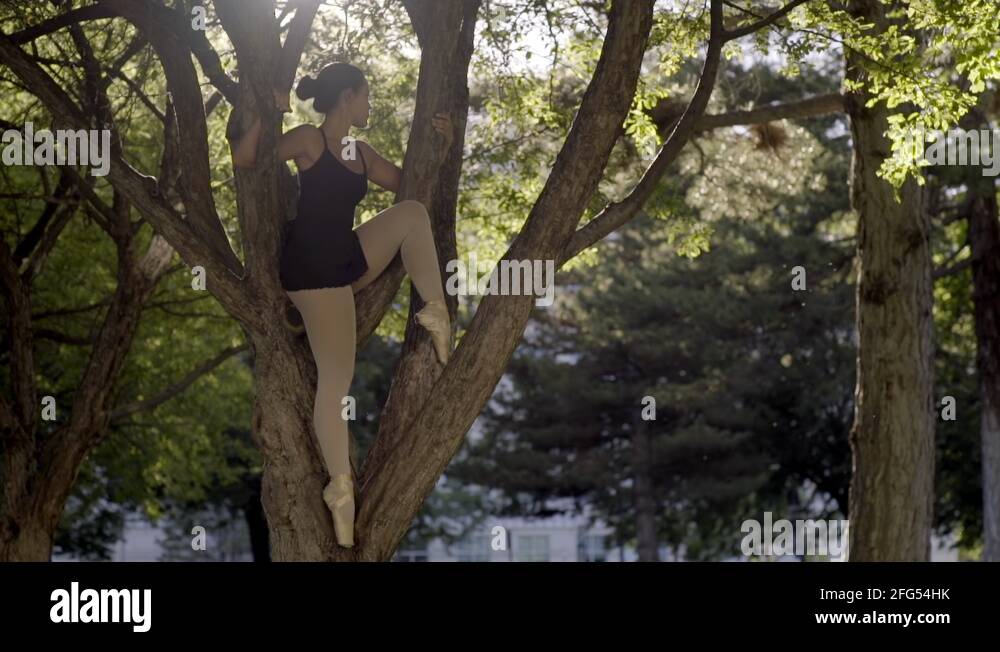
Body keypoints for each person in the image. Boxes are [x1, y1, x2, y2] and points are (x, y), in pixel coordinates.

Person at [229, 62, 454, 548]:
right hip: (313, 277)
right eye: (366, 97)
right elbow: (246, 159)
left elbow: (411, 187)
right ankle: (340, 488)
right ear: (348, 97)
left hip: (347, 259)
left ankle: (435, 310)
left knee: (413, 215)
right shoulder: (309, 139)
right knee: (336, 385)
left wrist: (444, 144)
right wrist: (270, 113)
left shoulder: (360, 152)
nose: (370, 106)